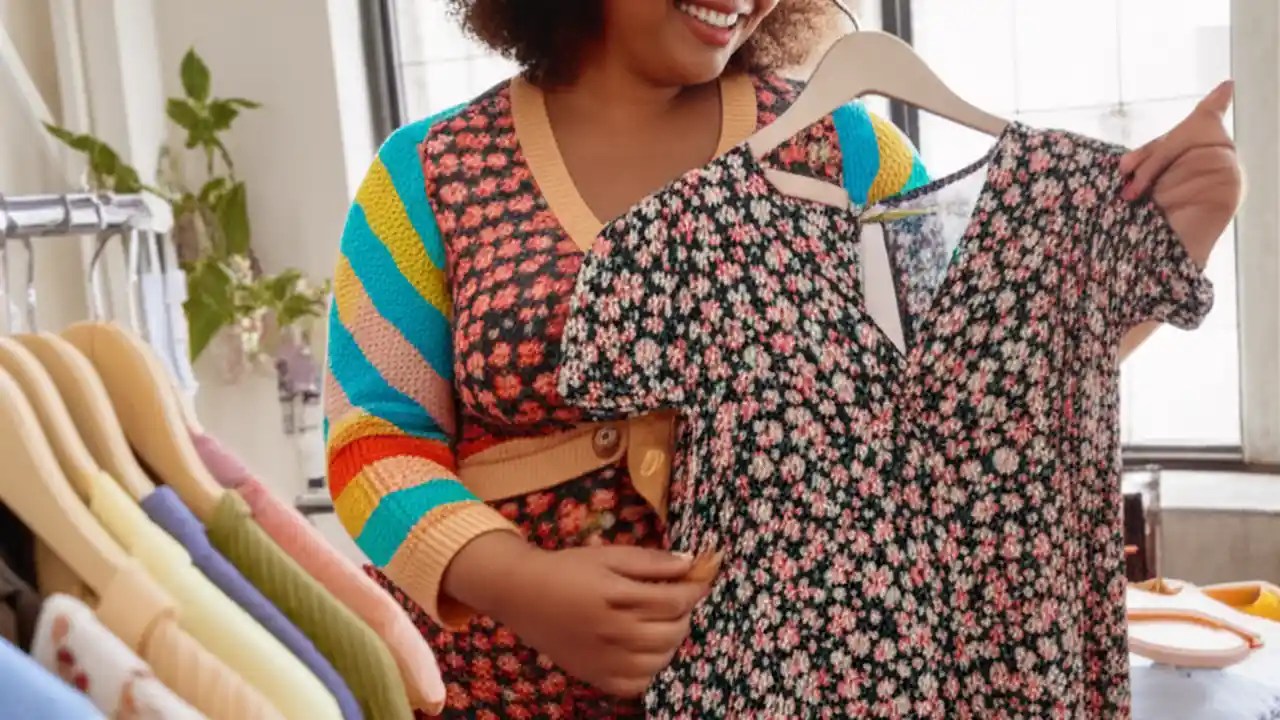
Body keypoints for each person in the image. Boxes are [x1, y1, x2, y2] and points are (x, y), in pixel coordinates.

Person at [326, 0, 1240, 716]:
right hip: (497, 687)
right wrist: (514, 582)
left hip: (805, 683)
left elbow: (972, 392)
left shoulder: (853, 150)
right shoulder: (428, 173)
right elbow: (372, 440)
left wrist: (1170, 250)